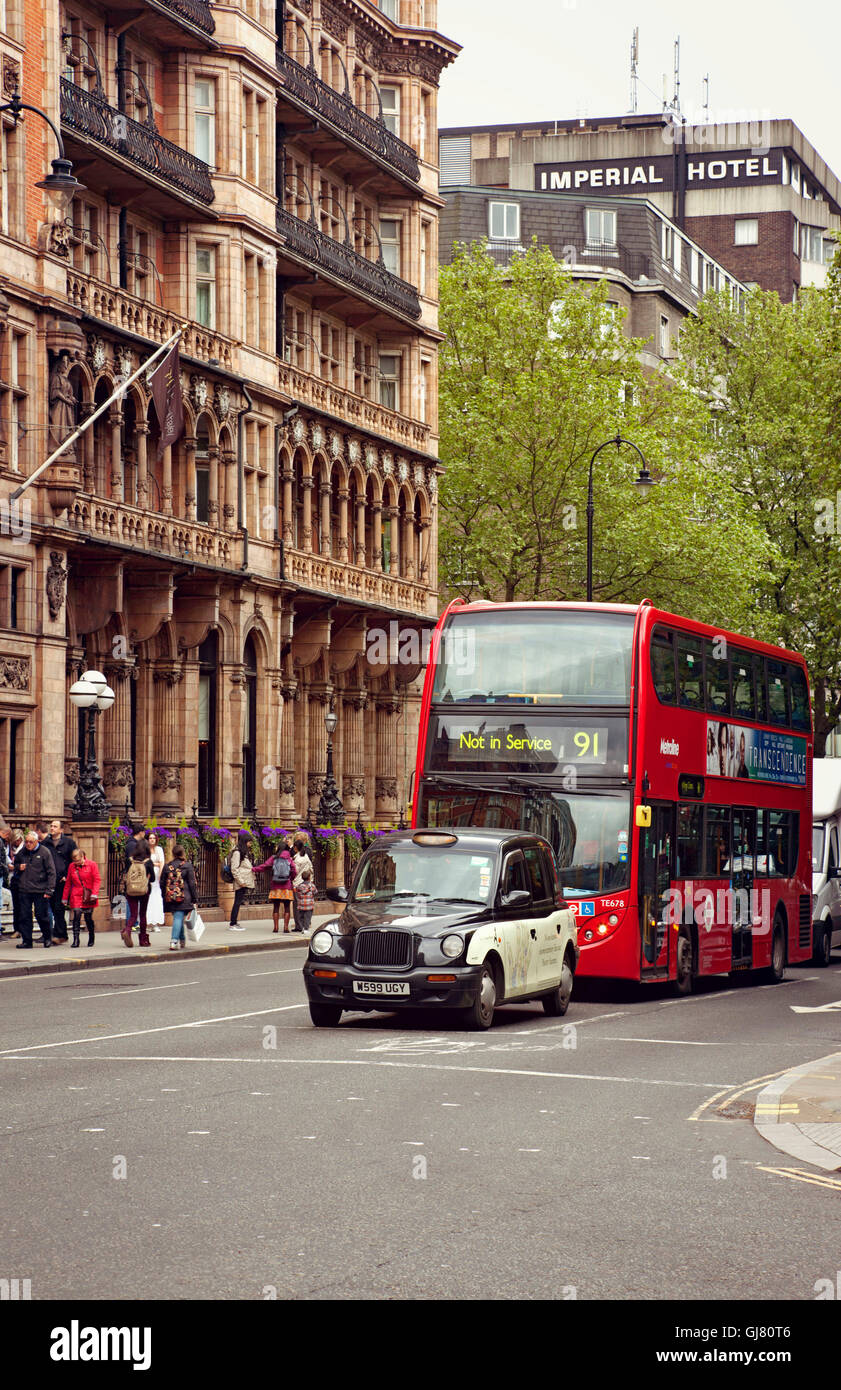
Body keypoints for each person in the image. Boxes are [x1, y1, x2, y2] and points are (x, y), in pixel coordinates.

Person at [14, 830, 56, 948]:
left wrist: (50, 890)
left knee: (41, 915)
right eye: (26, 842)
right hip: (25, 889)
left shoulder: (44, 852)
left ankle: (47, 937)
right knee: (24, 916)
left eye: (31, 842)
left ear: (37, 841)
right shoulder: (22, 852)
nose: (28, 844)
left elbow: (51, 872)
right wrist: (18, 867)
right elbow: (15, 864)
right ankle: (27, 940)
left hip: (40, 889)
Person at [44, 817, 77, 944]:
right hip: (49, 880)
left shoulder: (69, 843)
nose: (52, 828)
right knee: (52, 907)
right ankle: (58, 934)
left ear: (61, 829)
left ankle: (60, 934)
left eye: (55, 826)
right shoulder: (46, 843)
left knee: (59, 907)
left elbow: (75, 860)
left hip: (63, 881)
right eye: (51, 826)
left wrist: (67, 875)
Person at [160, 845, 198, 950]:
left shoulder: (168, 866)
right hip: (184, 897)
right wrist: (195, 898)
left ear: (173, 854)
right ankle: (174, 941)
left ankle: (182, 939)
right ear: (183, 853)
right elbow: (192, 883)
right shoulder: (187, 865)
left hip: (171, 897)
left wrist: (165, 895)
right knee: (178, 917)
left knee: (178, 917)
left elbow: (162, 883)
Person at [62, 847, 101, 948]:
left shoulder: (92, 865)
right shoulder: (72, 866)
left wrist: (94, 893)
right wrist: (65, 898)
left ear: (83, 857)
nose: (76, 863)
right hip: (76, 894)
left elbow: (97, 880)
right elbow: (68, 882)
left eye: (78, 860)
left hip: (88, 895)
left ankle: (91, 936)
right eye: (74, 861)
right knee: (77, 915)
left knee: (88, 917)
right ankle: (76, 940)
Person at [254, 838, 295, 933]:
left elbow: (264, 866)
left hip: (275, 886)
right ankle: (285, 928)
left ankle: (275, 927)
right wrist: (290, 879)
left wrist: (254, 869)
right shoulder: (289, 859)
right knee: (287, 907)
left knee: (276, 906)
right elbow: (294, 870)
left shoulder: (274, 858)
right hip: (286, 886)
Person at [122, 848, 154, 948]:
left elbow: (126, 874)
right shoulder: (148, 862)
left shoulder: (129, 860)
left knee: (133, 914)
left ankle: (127, 930)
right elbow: (152, 879)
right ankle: (143, 940)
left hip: (130, 890)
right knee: (143, 915)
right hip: (144, 891)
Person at [227, 832, 255, 931]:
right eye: (249, 842)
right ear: (245, 842)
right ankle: (232, 923)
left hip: (243, 881)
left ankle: (234, 922)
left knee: (238, 902)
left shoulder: (242, 853)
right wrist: (241, 881)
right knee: (237, 902)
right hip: (241, 882)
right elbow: (234, 869)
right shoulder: (237, 852)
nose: (250, 845)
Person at [291, 836, 314, 931]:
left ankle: (299, 926)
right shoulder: (306, 856)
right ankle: (305, 924)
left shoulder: (297, 859)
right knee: (305, 906)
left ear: (296, 848)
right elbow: (311, 869)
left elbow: (294, 872)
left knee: (298, 906)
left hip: (297, 883)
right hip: (306, 883)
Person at [146, 831, 166, 932]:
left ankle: (156, 922)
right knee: (149, 897)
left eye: (153, 838)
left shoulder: (159, 849)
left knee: (157, 896)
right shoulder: (146, 850)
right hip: (149, 875)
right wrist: (155, 864)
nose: (152, 840)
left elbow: (162, 862)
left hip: (157, 875)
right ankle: (149, 922)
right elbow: (146, 863)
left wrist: (160, 874)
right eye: (150, 838)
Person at [6, 830, 24, 938]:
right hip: (14, 879)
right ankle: (16, 929)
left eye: (18, 840)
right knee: (16, 907)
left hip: (22, 880)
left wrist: (15, 867)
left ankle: (22, 929)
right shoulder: (10, 849)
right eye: (15, 841)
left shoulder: (24, 850)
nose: (16, 843)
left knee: (23, 907)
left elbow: (23, 866)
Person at [294, 867, 316, 937]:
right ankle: (306, 929)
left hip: (301, 905)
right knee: (308, 917)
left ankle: (302, 927)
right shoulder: (311, 885)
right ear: (309, 877)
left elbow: (297, 892)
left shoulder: (299, 886)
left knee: (301, 917)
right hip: (309, 905)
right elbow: (315, 892)